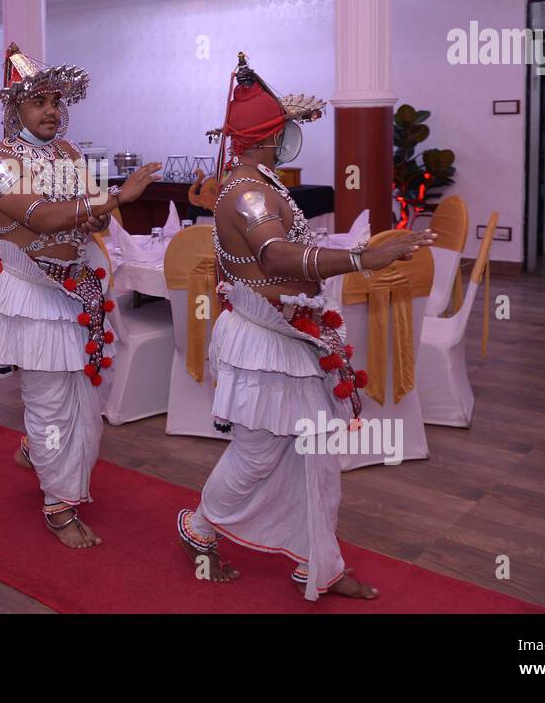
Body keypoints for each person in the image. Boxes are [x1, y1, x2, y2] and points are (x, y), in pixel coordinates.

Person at [177, 52, 434, 600]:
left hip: (289, 335)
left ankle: (321, 563)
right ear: (271, 137)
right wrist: (366, 258)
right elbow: (276, 258)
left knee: (316, 457)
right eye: (289, 129)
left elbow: (291, 251)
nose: (295, 137)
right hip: (262, 341)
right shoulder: (248, 191)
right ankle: (199, 528)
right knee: (257, 454)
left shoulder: (262, 181)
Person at [0, 42, 161, 549]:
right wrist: (114, 199)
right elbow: (39, 215)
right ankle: (58, 503)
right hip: (32, 294)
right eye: (40, 102)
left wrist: (103, 210)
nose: (53, 110)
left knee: (88, 394)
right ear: (16, 109)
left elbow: (88, 216)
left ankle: (42, 453)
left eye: (58, 101)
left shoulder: (70, 154)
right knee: (51, 400)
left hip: (79, 287)